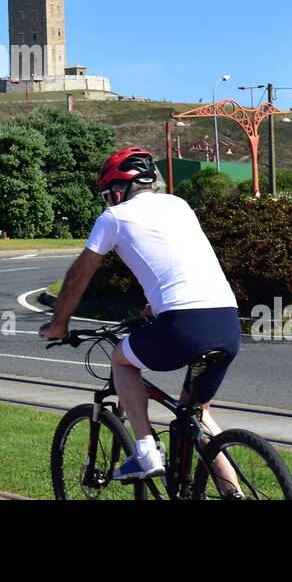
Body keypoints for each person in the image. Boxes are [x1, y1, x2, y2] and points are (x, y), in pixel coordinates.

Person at [39, 146, 241, 485]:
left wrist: (59, 326)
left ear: (117, 190)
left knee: (122, 361)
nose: (108, 201)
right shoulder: (179, 205)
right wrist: (156, 309)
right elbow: (178, 262)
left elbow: (77, 277)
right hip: (226, 320)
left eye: (107, 195)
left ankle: (146, 451)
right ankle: (235, 493)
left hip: (184, 325)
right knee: (198, 413)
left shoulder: (113, 218)